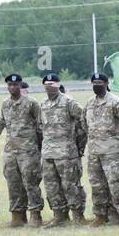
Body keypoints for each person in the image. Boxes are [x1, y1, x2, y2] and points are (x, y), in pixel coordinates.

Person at [84, 73, 119, 226]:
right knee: (97, 185)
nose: (96, 85)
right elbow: (83, 123)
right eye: (94, 82)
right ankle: (100, 215)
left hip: (112, 151)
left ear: (106, 83)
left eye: (99, 82)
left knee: (116, 183)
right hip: (94, 151)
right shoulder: (90, 103)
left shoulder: (115, 102)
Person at [38, 73, 87, 227]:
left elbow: (83, 121)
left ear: (58, 84)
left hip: (66, 153)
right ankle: (60, 216)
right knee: (51, 186)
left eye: (52, 83)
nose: (49, 86)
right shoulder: (43, 104)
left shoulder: (68, 102)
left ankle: (78, 216)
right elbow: (41, 127)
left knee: (70, 185)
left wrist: (79, 144)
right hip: (48, 153)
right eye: (46, 83)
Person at [0, 74, 45, 227]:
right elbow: (0, 126)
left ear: (20, 86)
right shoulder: (5, 104)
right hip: (11, 151)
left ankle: (35, 215)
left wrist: (38, 146)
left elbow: (40, 126)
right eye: (10, 85)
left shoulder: (31, 103)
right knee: (13, 183)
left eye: (15, 85)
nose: (12, 87)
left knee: (31, 182)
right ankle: (17, 216)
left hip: (28, 151)